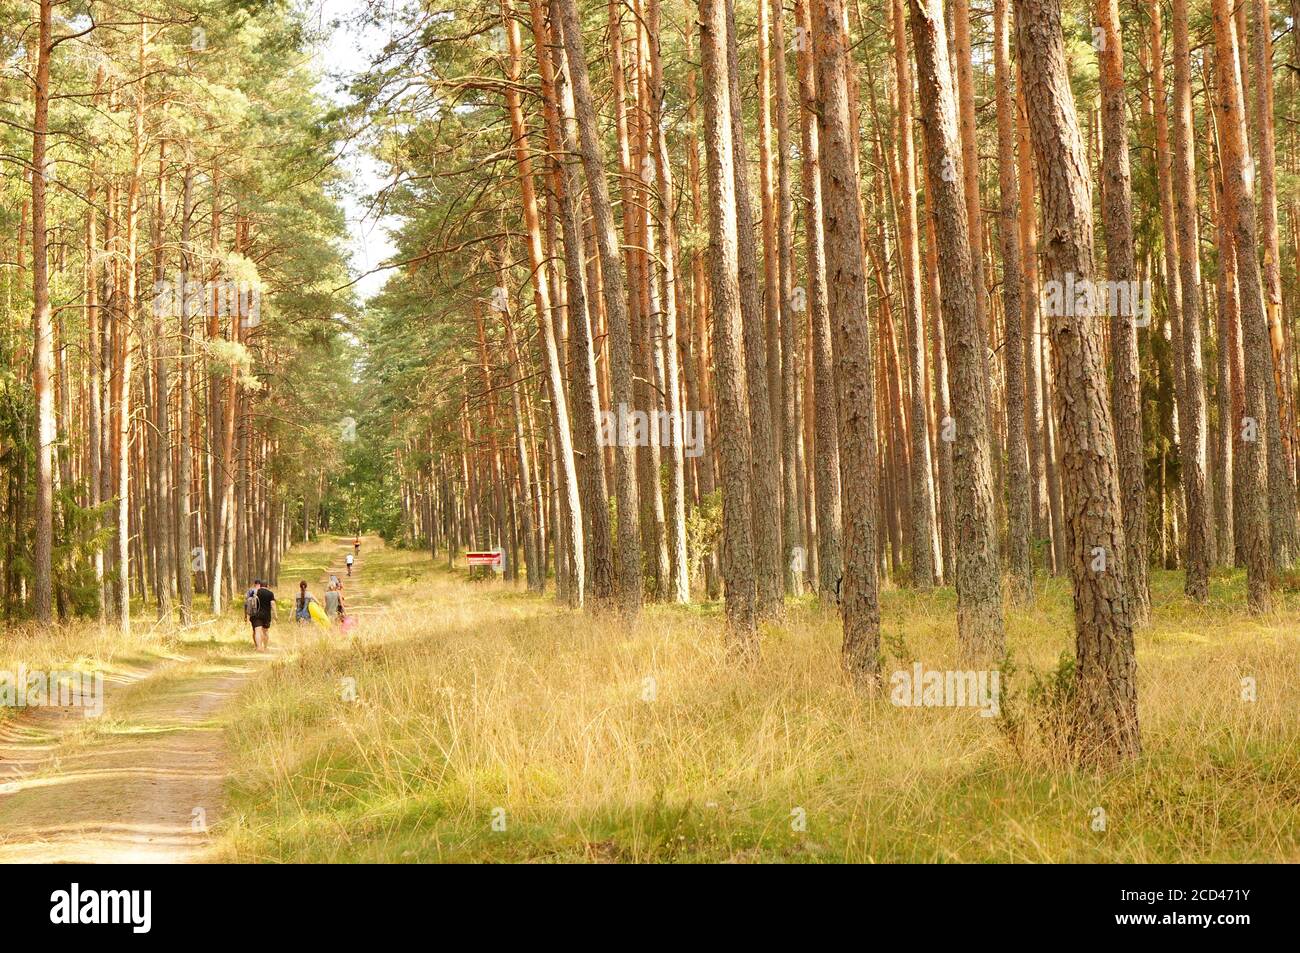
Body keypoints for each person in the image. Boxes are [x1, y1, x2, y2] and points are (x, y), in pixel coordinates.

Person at [247, 579, 276, 652]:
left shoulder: (255, 592)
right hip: (266, 615)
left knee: (257, 631)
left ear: (260, 585)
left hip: (256, 614)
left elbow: (249, 602)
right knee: (265, 631)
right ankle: (265, 647)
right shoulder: (270, 593)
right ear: (267, 586)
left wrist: (247, 615)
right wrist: (275, 615)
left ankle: (259, 647)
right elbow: (272, 604)